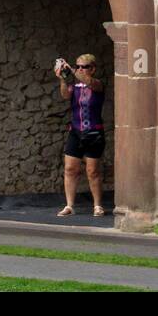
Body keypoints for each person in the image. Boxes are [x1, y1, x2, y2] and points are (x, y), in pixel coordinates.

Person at [54, 54, 106, 218]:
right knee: (70, 169)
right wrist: (63, 79)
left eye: (84, 67)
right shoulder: (75, 87)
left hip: (94, 132)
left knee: (92, 171)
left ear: (92, 69)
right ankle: (69, 205)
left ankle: (97, 205)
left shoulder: (97, 84)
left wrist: (71, 70)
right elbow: (65, 95)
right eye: (78, 66)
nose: (80, 69)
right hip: (75, 131)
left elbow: (91, 83)